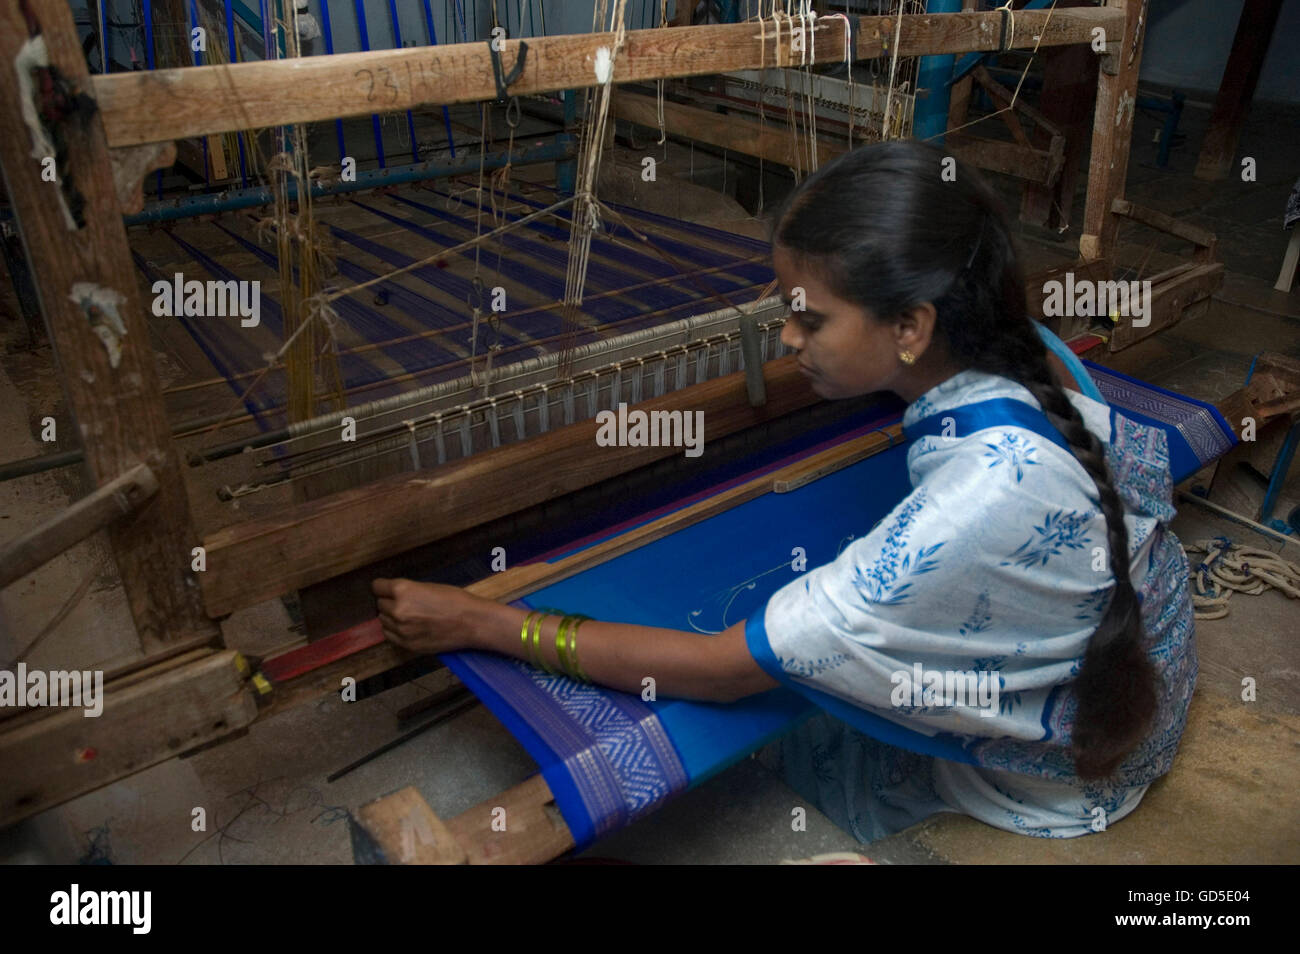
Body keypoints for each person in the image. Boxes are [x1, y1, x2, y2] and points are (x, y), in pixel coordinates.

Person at [373, 141, 1197, 843]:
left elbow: (721, 667)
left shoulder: (965, 510)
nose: (786, 339)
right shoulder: (1023, 351)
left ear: (911, 327)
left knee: (775, 735)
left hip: (1072, 771)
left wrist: (483, 620)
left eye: (810, 319)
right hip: (1152, 674)